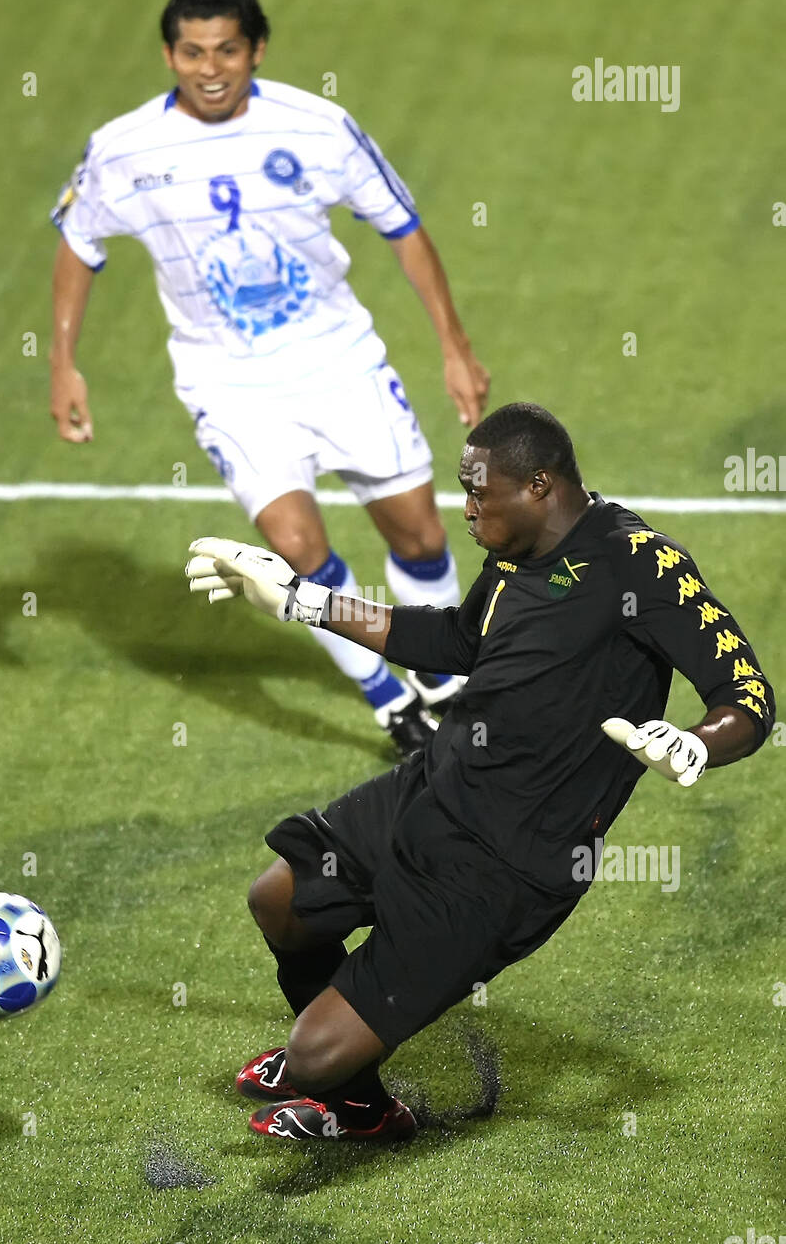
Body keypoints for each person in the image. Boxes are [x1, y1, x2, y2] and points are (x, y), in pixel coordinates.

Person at [186, 401, 776, 1142]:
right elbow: (459, 640)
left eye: (477, 493)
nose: (463, 510)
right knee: (279, 901)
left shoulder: (643, 564)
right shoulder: (516, 548)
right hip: (432, 786)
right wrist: (303, 600)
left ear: (538, 485)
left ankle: (351, 1099)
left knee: (313, 1056)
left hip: (506, 862)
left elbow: (749, 696)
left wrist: (697, 742)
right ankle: (349, 1080)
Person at [49, 0, 490, 755]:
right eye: (192, 52)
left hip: (338, 361)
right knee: (294, 546)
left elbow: (404, 228)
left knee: (420, 536)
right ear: (168, 54)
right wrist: (63, 359)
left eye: (226, 50)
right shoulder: (123, 149)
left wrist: (454, 347)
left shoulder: (320, 128)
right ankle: (391, 700)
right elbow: (78, 245)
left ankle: (445, 676)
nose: (209, 68)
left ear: (257, 50)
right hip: (227, 381)